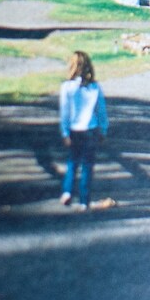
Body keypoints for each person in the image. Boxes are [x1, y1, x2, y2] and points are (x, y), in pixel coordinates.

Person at [59, 50, 108, 208]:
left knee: (72, 162)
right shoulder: (94, 87)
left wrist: (65, 133)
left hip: (75, 130)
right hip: (90, 129)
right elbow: (101, 111)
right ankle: (84, 201)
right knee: (87, 166)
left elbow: (65, 112)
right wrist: (103, 130)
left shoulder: (67, 87)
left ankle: (67, 192)